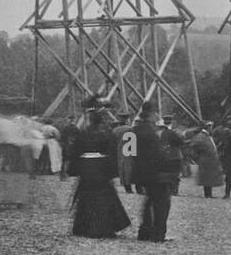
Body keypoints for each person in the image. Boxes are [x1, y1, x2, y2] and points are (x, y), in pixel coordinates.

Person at [68, 108, 132, 239]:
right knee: (104, 197)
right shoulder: (107, 134)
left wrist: (75, 169)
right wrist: (112, 171)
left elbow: (75, 152)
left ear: (90, 120)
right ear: (101, 121)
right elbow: (112, 153)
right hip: (101, 167)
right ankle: (103, 227)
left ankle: (84, 227)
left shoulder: (83, 133)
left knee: (86, 197)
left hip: (86, 167)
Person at [132, 101, 173, 243]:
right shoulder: (152, 133)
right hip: (154, 174)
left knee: (149, 201)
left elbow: (128, 153)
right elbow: (158, 155)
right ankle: (158, 234)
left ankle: (144, 232)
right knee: (162, 203)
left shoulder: (133, 131)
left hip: (140, 173)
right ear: (151, 115)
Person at [188, 122, 224, 197]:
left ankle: (209, 193)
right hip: (205, 160)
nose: (212, 129)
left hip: (210, 160)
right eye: (211, 127)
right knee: (207, 177)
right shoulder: (201, 136)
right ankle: (207, 194)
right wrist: (197, 157)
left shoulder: (207, 136)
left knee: (209, 177)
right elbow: (194, 146)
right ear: (208, 127)